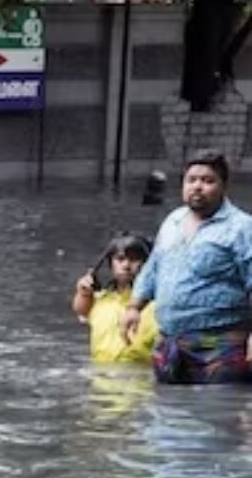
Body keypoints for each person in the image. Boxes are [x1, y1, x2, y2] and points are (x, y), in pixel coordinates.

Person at [122, 150, 252, 384]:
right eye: (191, 180)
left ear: (224, 186)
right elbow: (153, 269)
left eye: (208, 180)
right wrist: (134, 307)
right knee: (165, 414)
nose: (198, 186)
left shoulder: (242, 228)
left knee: (220, 413)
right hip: (170, 345)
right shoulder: (173, 221)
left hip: (222, 346)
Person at [71, 234, 158, 363]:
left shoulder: (157, 301)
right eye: (120, 259)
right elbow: (80, 310)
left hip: (143, 373)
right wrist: (83, 293)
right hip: (102, 374)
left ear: (147, 264)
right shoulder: (99, 299)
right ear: (110, 264)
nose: (126, 265)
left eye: (134, 260)